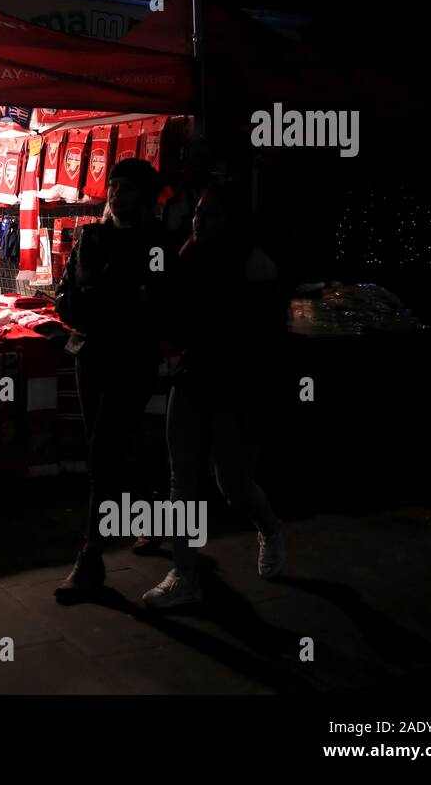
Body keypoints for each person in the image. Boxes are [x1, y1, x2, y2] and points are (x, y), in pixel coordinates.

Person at [142, 180, 288, 609]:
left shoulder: (254, 263)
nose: (200, 220)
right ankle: (184, 574)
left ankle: (271, 527)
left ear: (233, 219)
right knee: (182, 478)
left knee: (232, 483)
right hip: (191, 381)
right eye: (199, 212)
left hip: (234, 386)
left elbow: (265, 336)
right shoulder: (187, 255)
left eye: (211, 213)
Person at [53, 158, 171, 603]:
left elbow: (153, 302)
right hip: (92, 354)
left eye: (129, 188)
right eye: (115, 185)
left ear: (146, 196)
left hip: (133, 357)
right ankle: (151, 514)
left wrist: (104, 300)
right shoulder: (91, 235)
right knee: (108, 442)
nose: (118, 194)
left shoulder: (156, 241)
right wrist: (100, 302)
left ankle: (91, 557)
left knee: (105, 446)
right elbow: (70, 293)